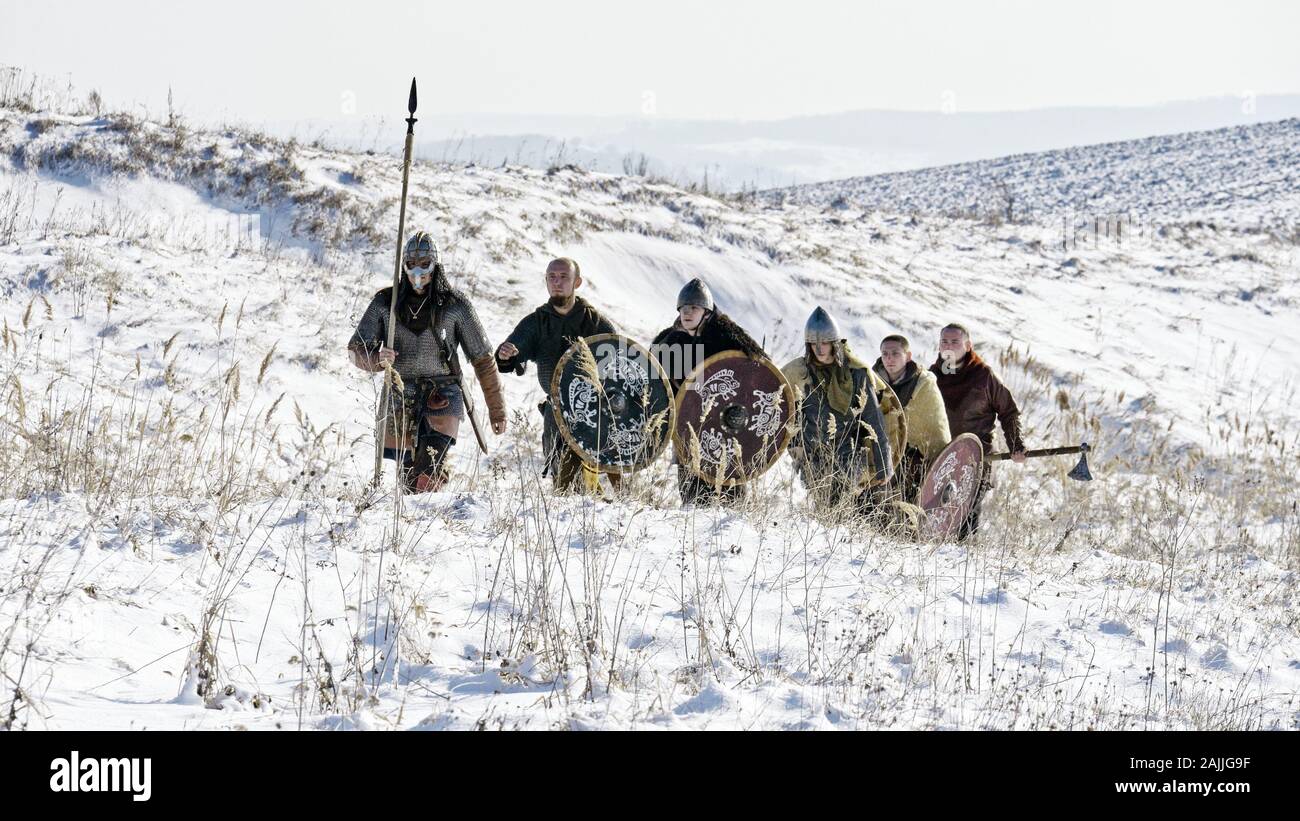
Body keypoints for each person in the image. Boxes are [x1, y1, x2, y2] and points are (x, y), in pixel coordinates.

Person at [348, 231, 506, 492]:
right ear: (404, 266)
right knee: (409, 478)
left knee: (427, 474)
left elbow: (483, 360)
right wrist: (377, 358)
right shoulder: (385, 303)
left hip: (442, 393)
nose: (418, 271)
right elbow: (355, 350)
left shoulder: (454, 305)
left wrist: (497, 409)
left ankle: (434, 507)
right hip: (400, 394)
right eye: (411, 264)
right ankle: (419, 527)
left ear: (436, 265)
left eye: (425, 264)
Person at [496, 257, 618, 493]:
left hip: (594, 413)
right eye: (552, 277)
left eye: (564, 277)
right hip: (557, 411)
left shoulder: (595, 322)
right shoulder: (537, 322)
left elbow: (619, 363)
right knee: (562, 477)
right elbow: (514, 347)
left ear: (577, 282)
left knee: (592, 486)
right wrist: (506, 354)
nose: (557, 282)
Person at [651, 277, 765, 505]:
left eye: (693, 307)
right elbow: (655, 383)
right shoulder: (668, 341)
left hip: (728, 428)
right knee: (693, 500)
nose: (687, 312)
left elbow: (759, 373)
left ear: (707, 311)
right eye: (683, 308)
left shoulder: (729, 337)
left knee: (731, 504)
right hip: (689, 429)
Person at [781, 307, 894, 517]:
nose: (819, 349)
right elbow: (786, 410)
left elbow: (873, 420)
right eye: (814, 344)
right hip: (811, 455)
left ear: (834, 342)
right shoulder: (801, 373)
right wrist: (796, 447)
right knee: (815, 513)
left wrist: (883, 466)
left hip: (847, 454)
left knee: (836, 511)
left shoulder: (856, 374)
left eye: (824, 343)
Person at [930, 322, 1026, 540]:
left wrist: (1016, 445)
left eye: (955, 341)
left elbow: (1009, 412)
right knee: (934, 520)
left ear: (968, 345)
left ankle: (963, 564)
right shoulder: (932, 376)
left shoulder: (984, 376)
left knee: (965, 522)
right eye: (944, 341)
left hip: (975, 458)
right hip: (939, 458)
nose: (949, 346)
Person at [872, 334, 951, 503]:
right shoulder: (872, 381)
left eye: (895, 353)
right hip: (877, 452)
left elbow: (935, 426)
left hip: (912, 457)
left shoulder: (923, 384)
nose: (889, 359)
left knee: (904, 503)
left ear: (908, 356)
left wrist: (941, 464)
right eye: (885, 354)